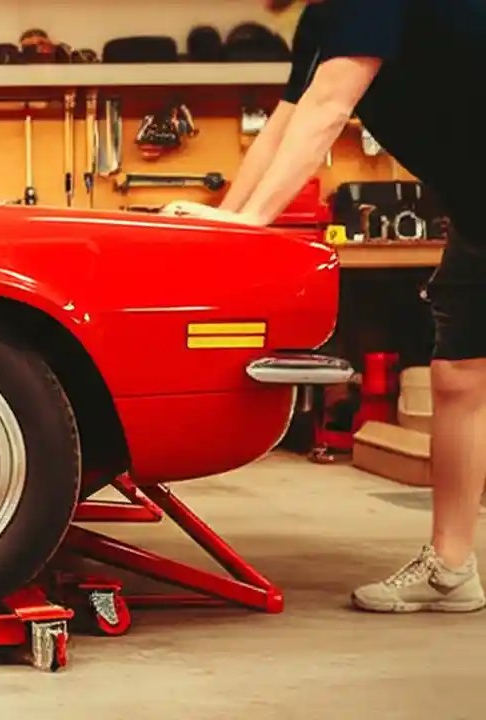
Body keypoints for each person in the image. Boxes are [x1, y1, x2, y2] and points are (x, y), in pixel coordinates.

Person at [164, 0, 486, 613]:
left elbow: (330, 108)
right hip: (478, 211)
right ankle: (450, 570)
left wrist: (254, 219)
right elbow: (289, 120)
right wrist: (229, 224)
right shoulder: (325, 20)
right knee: (458, 376)